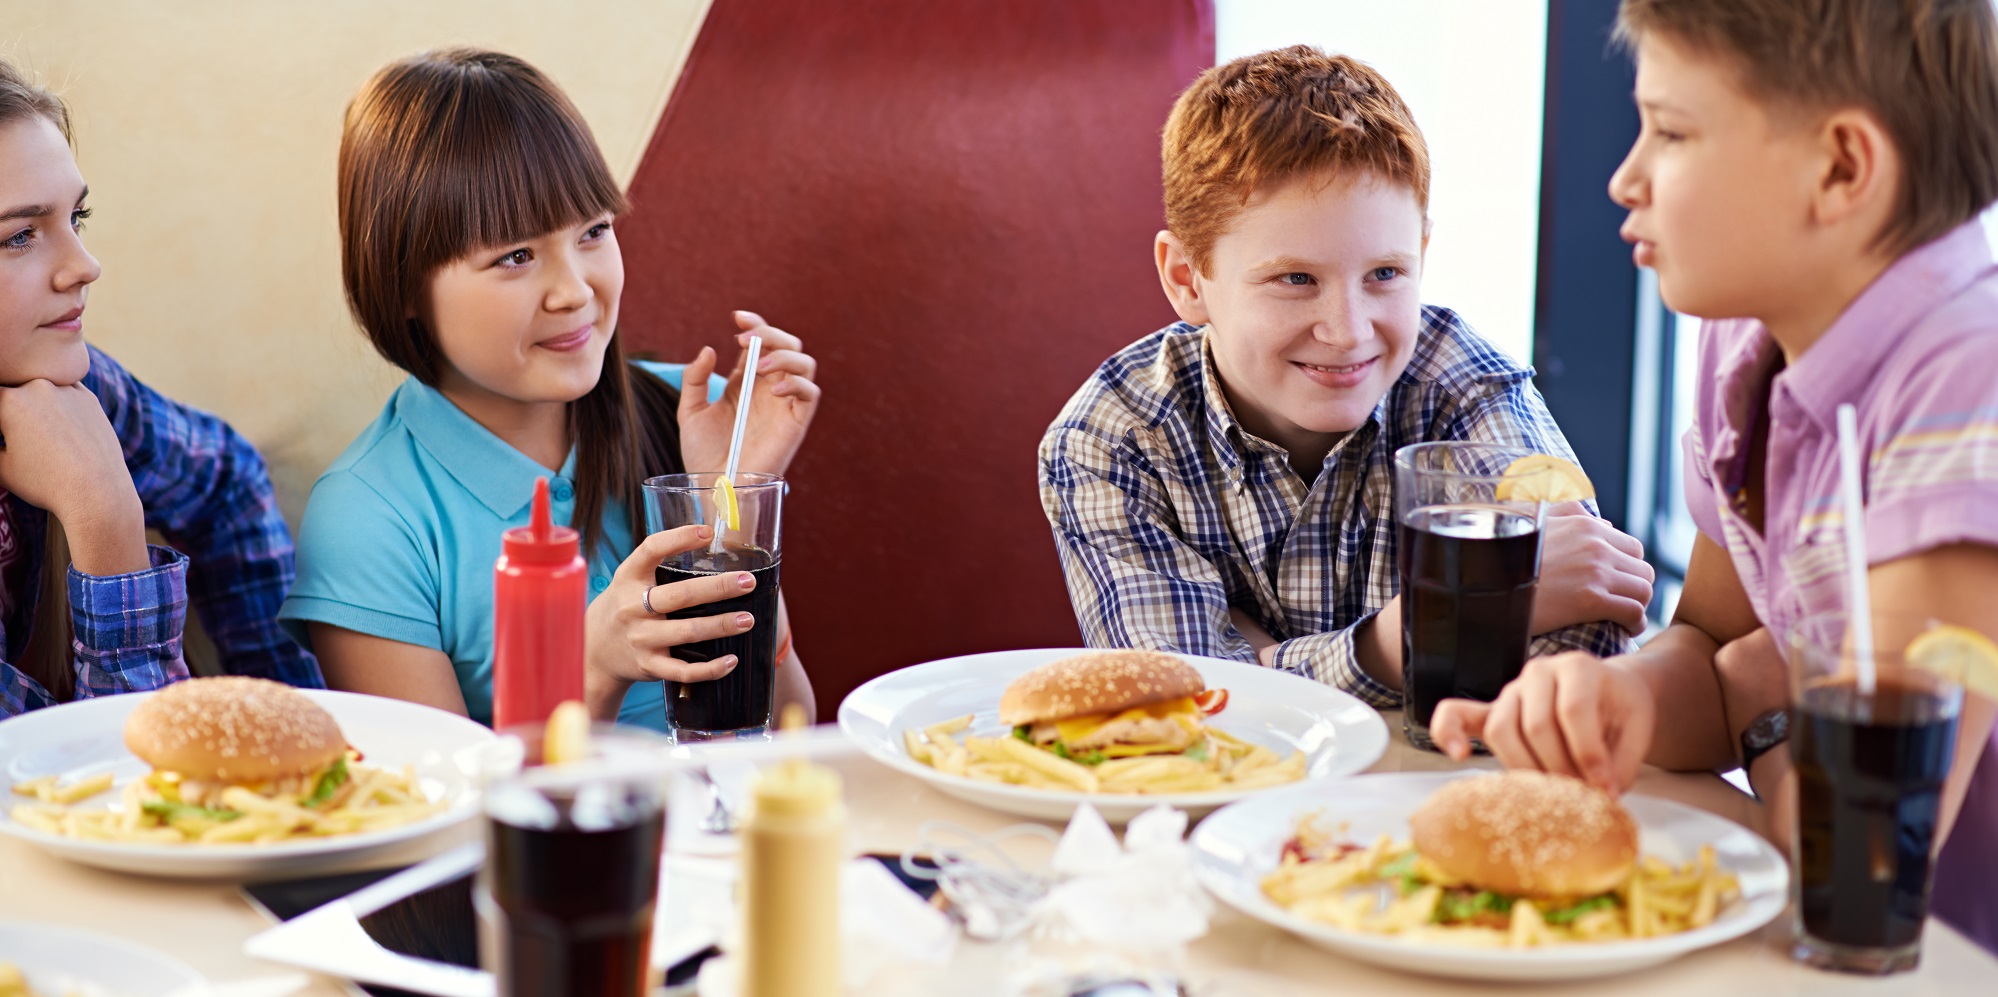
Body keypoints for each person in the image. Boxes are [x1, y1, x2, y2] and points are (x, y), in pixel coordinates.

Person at [1430, 0, 1998, 951]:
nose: (1625, 178)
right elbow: (1714, 643)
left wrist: (1762, 711)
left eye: (1672, 131)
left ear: (1841, 167)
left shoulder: (1968, 386)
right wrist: (1621, 698)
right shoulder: (1749, 333)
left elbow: (1864, 859)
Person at [1038, 46, 1654, 708]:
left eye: (1385, 274)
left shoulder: (1463, 386)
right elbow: (1187, 702)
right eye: (1295, 279)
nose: (1349, 330)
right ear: (1188, 279)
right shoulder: (1112, 439)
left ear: (1421, 253)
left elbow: (1584, 644)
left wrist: (1260, 662)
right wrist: (1409, 635)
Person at [279, 49, 819, 729]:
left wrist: (730, 514)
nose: (574, 292)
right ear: (404, 284)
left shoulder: (695, 415)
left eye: (594, 231)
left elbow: (788, 725)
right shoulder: (367, 520)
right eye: (516, 255)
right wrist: (594, 669)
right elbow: (440, 791)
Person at [0, 60, 321, 715]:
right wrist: (105, 519)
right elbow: (112, 772)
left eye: (77, 218)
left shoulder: (71, 393)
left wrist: (286, 711)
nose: (85, 266)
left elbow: (226, 480)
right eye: (21, 236)